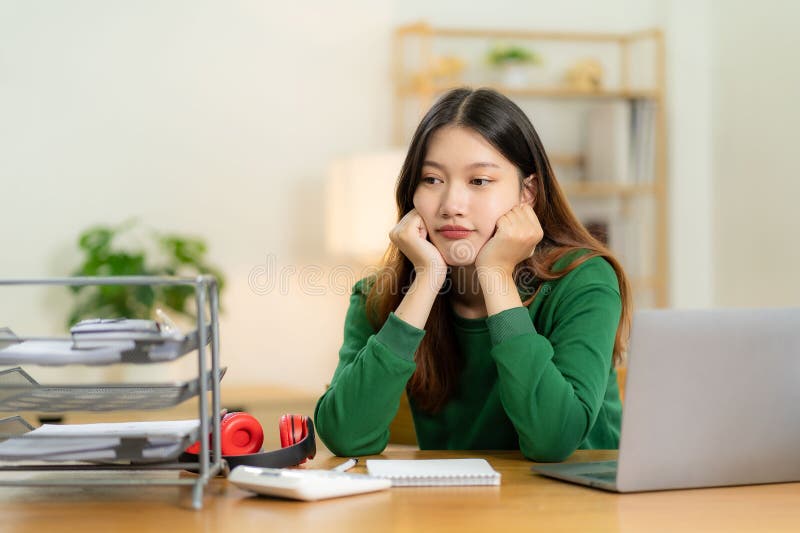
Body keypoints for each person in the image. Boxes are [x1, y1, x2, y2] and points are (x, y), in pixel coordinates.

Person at [314, 87, 631, 462]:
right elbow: (346, 436)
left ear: (527, 193)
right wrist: (426, 280)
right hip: (454, 510)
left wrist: (496, 275)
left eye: (479, 181)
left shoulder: (583, 281)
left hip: (574, 508)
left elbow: (553, 440)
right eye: (432, 179)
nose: (451, 205)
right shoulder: (381, 295)